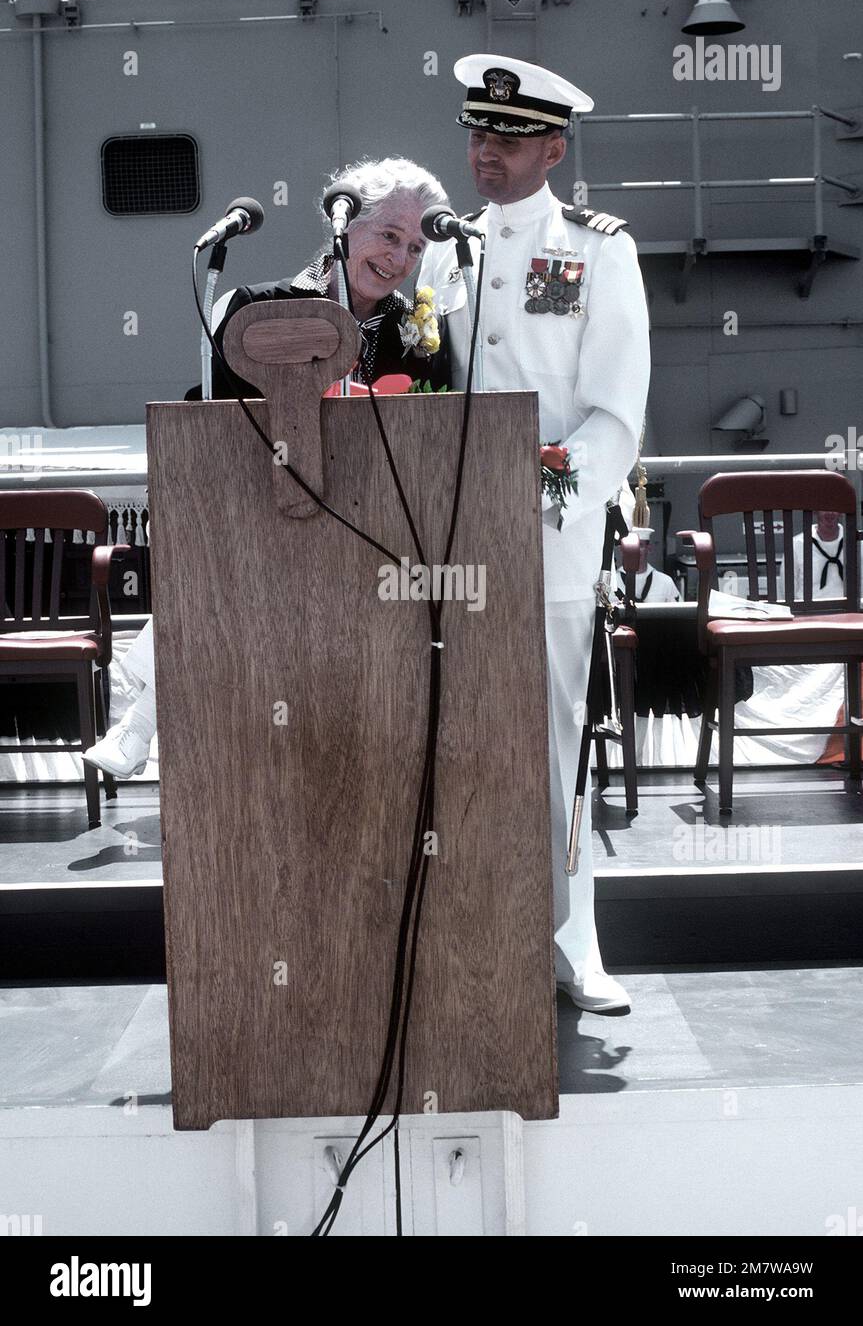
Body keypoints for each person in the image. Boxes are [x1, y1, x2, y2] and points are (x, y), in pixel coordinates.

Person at [85, 156, 451, 780]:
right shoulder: (260, 310)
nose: (399, 258)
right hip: (269, 522)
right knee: (223, 554)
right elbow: (217, 433)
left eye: (414, 247)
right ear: (344, 225)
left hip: (378, 537)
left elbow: (436, 436)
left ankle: (140, 716)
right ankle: (146, 723)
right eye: (388, 235)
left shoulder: (419, 332)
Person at [418, 54, 651, 1012]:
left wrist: (558, 480)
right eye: (478, 133)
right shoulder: (446, 253)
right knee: (449, 738)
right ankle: (462, 935)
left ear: (553, 147)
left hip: (550, 538)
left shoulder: (597, 252)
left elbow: (615, 411)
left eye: (509, 137)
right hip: (449, 538)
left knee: (559, 746)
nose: (487, 150)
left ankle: (572, 945)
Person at [616, 528, 681, 604]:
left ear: (649, 548)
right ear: (622, 549)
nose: (635, 550)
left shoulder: (665, 582)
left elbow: (679, 613)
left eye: (640, 545)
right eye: (630, 547)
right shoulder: (612, 582)